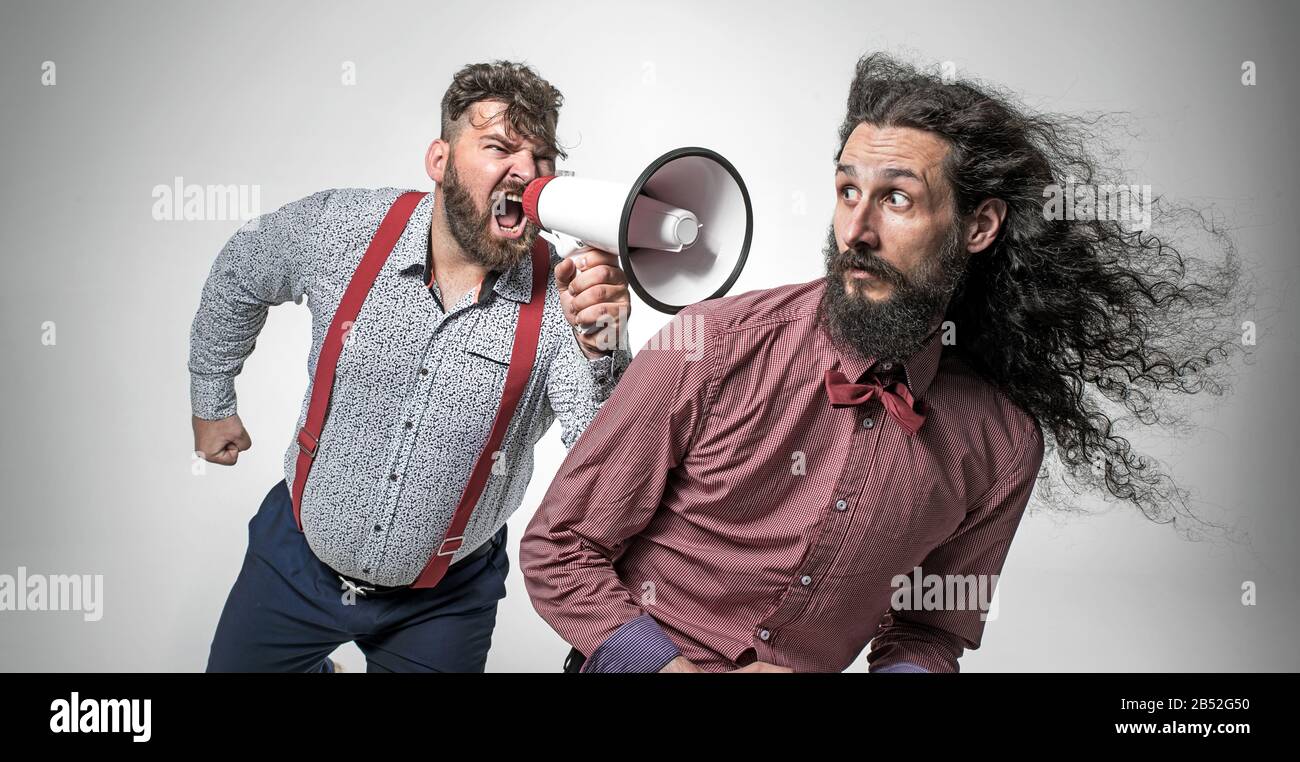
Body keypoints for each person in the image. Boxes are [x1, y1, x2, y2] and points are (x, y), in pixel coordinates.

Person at [520, 52, 1244, 673]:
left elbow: (928, 632)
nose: (856, 231)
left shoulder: (1002, 444)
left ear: (979, 226)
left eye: (897, 197)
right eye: (847, 192)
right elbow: (561, 548)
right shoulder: (710, 345)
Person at [193, 60, 632, 672]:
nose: (527, 173)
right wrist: (212, 399)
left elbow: (607, 459)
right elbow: (244, 266)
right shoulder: (343, 229)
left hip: (445, 599)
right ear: (440, 160)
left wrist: (606, 339)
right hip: (295, 559)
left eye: (542, 158)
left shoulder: (562, 296)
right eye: (500, 146)